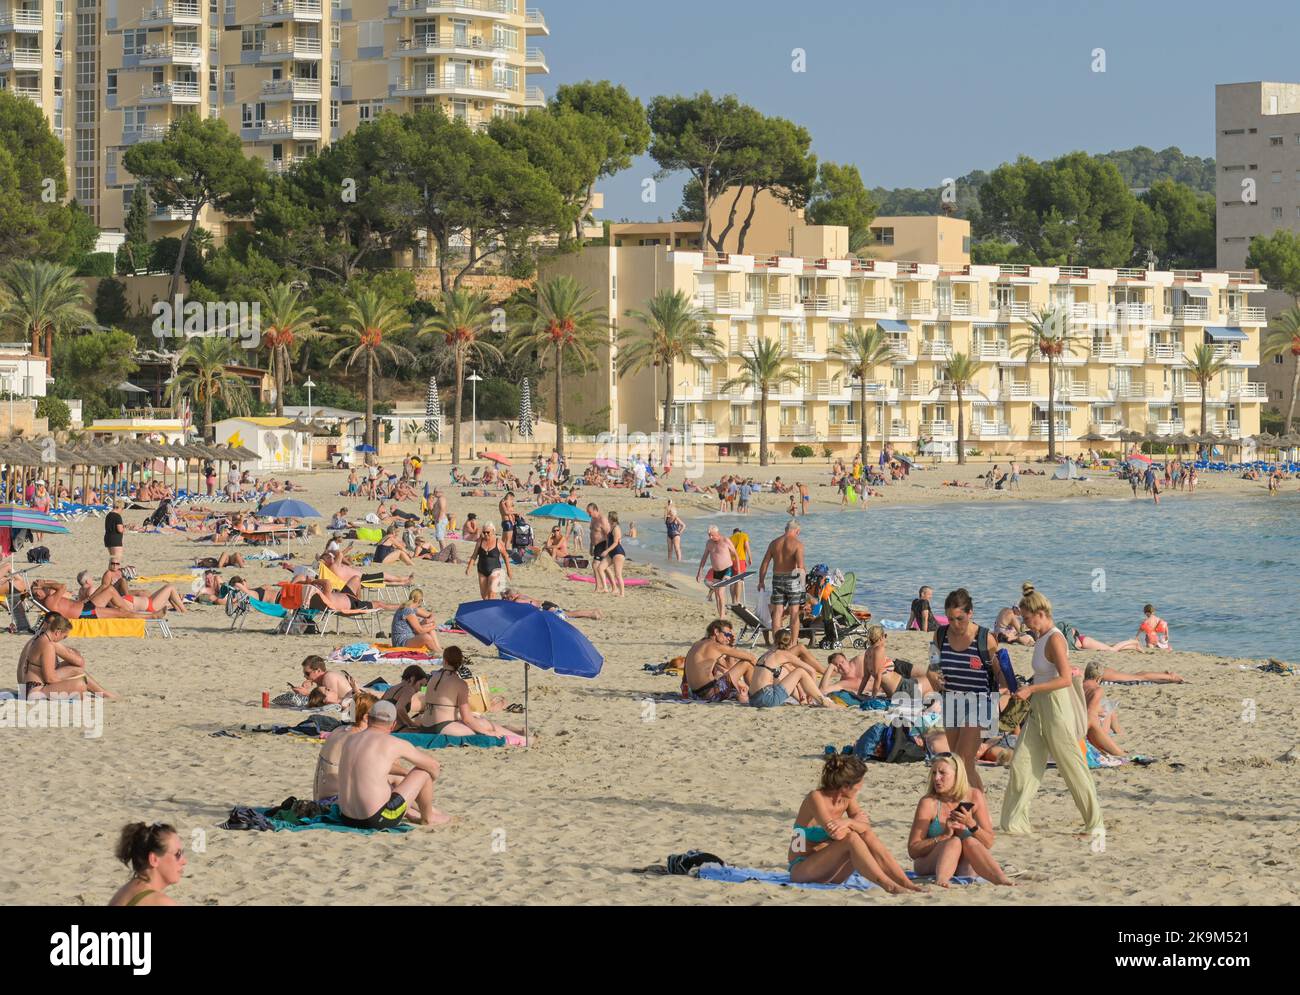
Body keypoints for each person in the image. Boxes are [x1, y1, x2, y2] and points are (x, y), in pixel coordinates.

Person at [1000, 584, 1104, 838]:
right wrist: (1029, 687)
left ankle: (1095, 824)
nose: (1024, 625)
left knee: (1072, 767)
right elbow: (1045, 674)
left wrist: (1032, 690)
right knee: (1022, 763)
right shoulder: (1041, 639)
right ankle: (1015, 823)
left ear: (1041, 613)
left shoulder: (1056, 638)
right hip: (1038, 709)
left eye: (1027, 619)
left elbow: (1066, 679)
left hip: (1057, 709)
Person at [787, 754, 923, 893]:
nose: (861, 787)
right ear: (845, 786)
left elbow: (866, 828)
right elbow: (837, 834)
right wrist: (853, 823)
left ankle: (905, 882)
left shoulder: (846, 798)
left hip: (832, 871)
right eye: (859, 783)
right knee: (852, 837)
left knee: (865, 835)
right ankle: (888, 885)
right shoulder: (816, 798)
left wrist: (848, 821)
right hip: (802, 868)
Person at [336, 700, 450, 828]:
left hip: (346, 818)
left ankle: (412, 811)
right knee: (423, 772)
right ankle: (428, 818)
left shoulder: (350, 739)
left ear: (368, 719)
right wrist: (425, 783)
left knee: (389, 777)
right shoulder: (393, 743)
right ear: (393, 725)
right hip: (376, 819)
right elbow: (433, 766)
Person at [907, 754, 1014, 888]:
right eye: (934, 773)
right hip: (930, 862)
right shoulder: (929, 803)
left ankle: (1000, 879)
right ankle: (942, 880)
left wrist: (971, 823)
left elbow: (988, 842)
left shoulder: (974, 796)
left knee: (969, 841)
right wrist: (944, 836)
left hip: (964, 863)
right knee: (954, 841)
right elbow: (913, 850)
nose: (936, 778)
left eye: (942, 773)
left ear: (957, 776)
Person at [933, 589, 1003, 792]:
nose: (955, 624)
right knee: (957, 763)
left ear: (970, 613)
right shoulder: (940, 634)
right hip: (950, 701)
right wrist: (934, 676)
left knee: (963, 761)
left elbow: (999, 674)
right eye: (950, 619)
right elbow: (933, 665)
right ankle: (971, 806)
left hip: (979, 703)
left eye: (959, 618)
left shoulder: (985, 638)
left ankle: (976, 809)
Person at [410, 647, 528, 743]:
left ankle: (517, 734)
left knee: (478, 720)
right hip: (442, 727)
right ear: (460, 662)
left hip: (426, 724)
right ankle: (523, 739)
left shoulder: (433, 676)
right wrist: (488, 733)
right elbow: (467, 719)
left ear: (444, 660)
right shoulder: (460, 684)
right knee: (483, 723)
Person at [17, 614, 116, 698]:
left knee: (78, 672)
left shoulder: (40, 639)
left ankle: (105, 694)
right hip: (36, 691)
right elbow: (50, 679)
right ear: (58, 632)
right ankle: (105, 694)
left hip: (31, 686)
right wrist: (68, 682)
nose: (63, 639)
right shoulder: (48, 646)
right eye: (64, 637)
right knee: (81, 684)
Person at [747, 630, 837, 708]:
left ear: (775, 640)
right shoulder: (784, 655)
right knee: (800, 671)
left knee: (783, 673)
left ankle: (803, 700)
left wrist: (801, 691)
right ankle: (823, 701)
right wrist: (811, 694)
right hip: (766, 699)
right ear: (790, 643)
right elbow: (811, 671)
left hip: (752, 700)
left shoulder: (766, 654)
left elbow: (789, 675)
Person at [108, 822, 186, 906]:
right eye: (177, 854)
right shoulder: (162, 903)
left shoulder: (124, 891)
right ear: (154, 859)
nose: (184, 861)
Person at [757, 520, 807, 646]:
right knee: (794, 612)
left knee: (778, 612)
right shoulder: (798, 544)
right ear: (797, 531)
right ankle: (793, 644)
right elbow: (800, 567)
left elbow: (765, 563)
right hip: (792, 579)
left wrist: (761, 581)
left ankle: (777, 642)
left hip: (777, 578)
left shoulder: (774, 543)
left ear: (786, 529)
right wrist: (803, 585)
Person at [682, 619, 755, 703]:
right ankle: (756, 694)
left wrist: (731, 645)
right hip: (710, 695)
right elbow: (751, 658)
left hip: (694, 694)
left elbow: (728, 666)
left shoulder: (697, 644)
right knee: (747, 663)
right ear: (716, 631)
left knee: (725, 678)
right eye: (727, 634)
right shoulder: (716, 646)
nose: (728, 638)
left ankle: (750, 693)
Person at [1082, 660, 1126, 758]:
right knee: (1120, 754)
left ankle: (1118, 733)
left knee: (1107, 707)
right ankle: (1119, 732)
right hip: (1091, 727)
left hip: (1079, 722)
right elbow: (1090, 713)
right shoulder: (1097, 690)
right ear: (1099, 677)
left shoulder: (1079, 685)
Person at [695, 525, 740, 618]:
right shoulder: (709, 543)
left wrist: (739, 572)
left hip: (727, 570)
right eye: (709, 535)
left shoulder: (725, 540)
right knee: (716, 594)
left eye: (712, 535)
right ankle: (721, 615)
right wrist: (700, 572)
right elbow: (704, 557)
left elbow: (736, 554)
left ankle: (722, 617)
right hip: (716, 572)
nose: (710, 537)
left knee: (720, 592)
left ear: (717, 533)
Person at [389, 589, 443, 654]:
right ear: (420, 601)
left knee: (430, 626)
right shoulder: (408, 611)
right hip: (401, 641)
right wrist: (434, 626)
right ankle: (437, 651)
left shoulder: (411, 608)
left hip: (408, 636)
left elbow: (430, 614)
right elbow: (419, 631)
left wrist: (429, 620)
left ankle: (438, 648)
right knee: (426, 637)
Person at [466, 524, 511, 599]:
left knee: (491, 594)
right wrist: (469, 568)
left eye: (488, 532)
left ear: (493, 531)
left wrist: (509, 571)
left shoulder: (498, 542)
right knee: (484, 597)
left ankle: (492, 609)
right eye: (484, 532)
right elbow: (474, 555)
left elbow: (505, 556)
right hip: (481, 570)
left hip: (495, 570)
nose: (485, 534)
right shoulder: (480, 542)